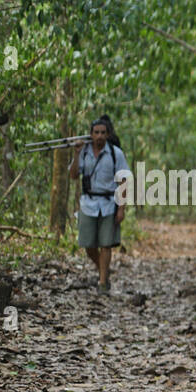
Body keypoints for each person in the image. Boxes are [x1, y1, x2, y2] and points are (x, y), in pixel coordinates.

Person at [69, 117, 129, 294]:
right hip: (88, 203)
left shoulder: (115, 153)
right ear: (91, 134)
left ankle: (102, 283)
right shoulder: (84, 151)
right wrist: (76, 153)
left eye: (103, 132)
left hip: (109, 204)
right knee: (88, 245)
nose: (100, 136)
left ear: (108, 134)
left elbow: (123, 181)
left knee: (106, 244)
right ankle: (104, 270)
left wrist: (121, 208)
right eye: (96, 132)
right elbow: (73, 175)